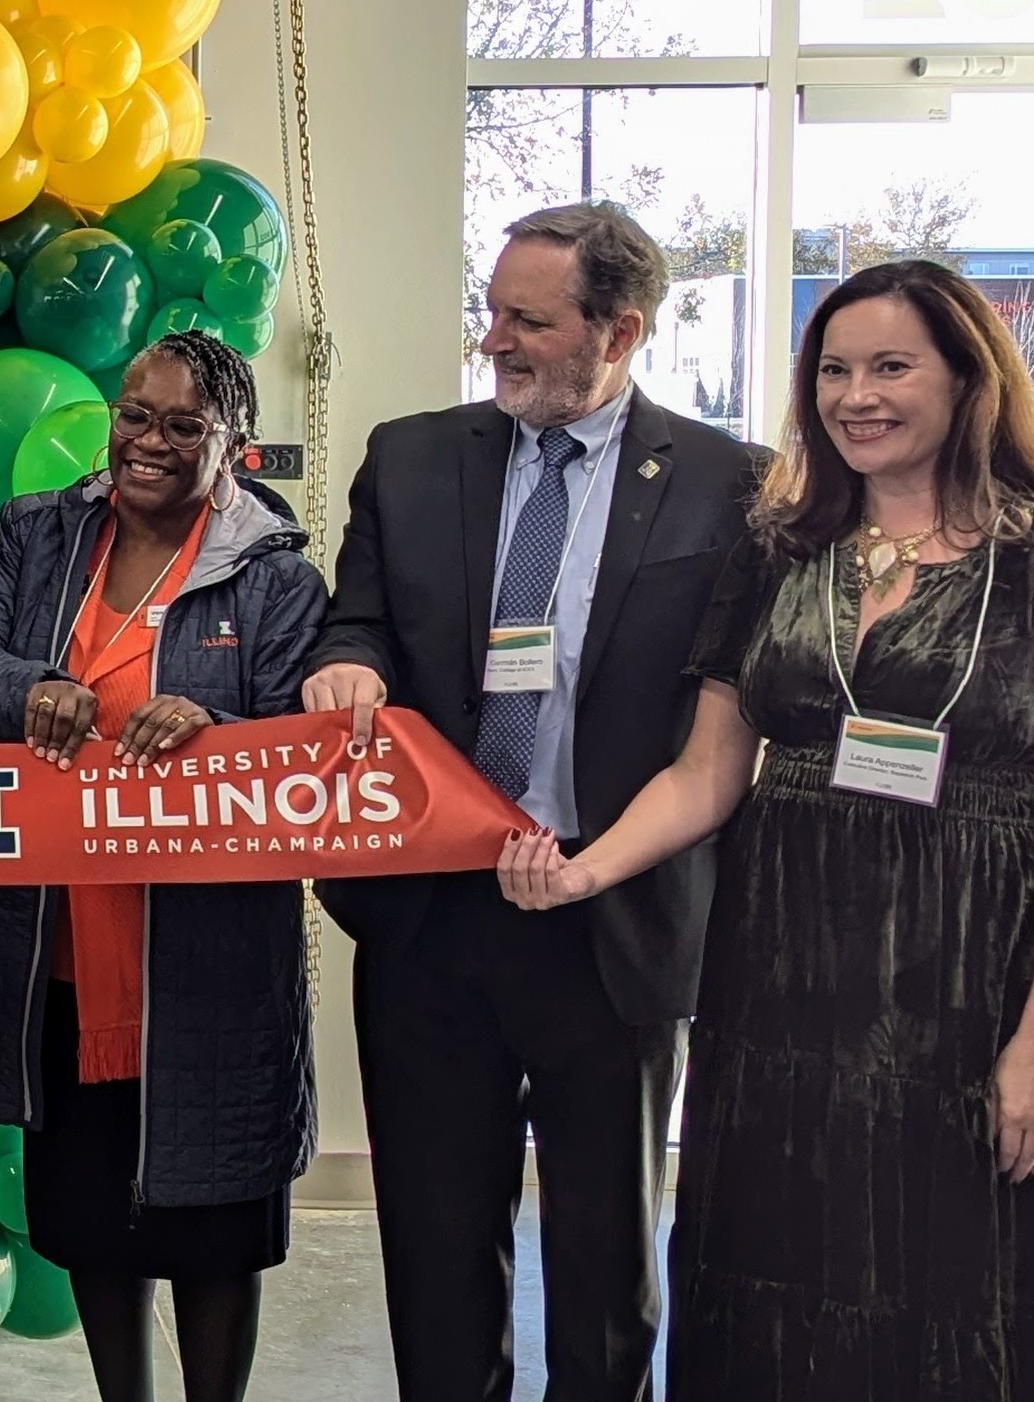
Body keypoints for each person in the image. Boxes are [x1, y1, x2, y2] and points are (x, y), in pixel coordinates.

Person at [498, 259, 1034, 1399]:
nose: (857, 396)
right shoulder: (780, 546)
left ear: (969, 379)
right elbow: (709, 770)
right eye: (835, 370)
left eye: (891, 366)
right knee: (776, 1260)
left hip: (970, 982)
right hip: (780, 980)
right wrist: (580, 870)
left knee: (961, 1277)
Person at [300, 202, 763, 1399]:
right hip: (431, 916)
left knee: (605, 1259)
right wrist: (346, 664)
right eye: (490, 310)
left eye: (528, 320)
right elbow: (359, 618)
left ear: (621, 331)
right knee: (435, 1247)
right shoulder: (411, 456)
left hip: (613, 913)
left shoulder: (728, 483)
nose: (493, 339)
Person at [0, 330, 324, 1402]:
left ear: (234, 443)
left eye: (184, 425)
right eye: (134, 415)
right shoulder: (39, 531)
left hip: (207, 961)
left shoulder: (275, 574)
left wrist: (213, 732)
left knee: (215, 1223)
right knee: (91, 1217)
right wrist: (31, 686)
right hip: (55, 950)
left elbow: (299, 744)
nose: (149, 442)